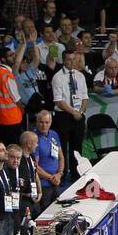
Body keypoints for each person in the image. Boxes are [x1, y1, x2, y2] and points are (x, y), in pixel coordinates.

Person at [50, 50, 88, 183]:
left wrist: (81, 112)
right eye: (70, 60)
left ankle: (76, 175)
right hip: (63, 116)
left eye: (74, 59)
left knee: (77, 147)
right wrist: (73, 112)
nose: (73, 62)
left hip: (78, 116)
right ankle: (62, 174)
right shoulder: (58, 77)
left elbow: (84, 96)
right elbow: (58, 101)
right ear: (64, 61)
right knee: (63, 147)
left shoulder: (80, 76)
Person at [0, 44, 24, 148]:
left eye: (13, 54)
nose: (13, 57)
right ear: (3, 59)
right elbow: (16, 98)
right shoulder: (7, 75)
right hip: (11, 119)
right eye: (10, 55)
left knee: (1, 149)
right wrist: (22, 109)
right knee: (12, 149)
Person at [33, 112, 64, 209]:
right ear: (36, 122)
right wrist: (51, 178)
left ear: (51, 122)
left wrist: (59, 173)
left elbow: (61, 157)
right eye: (41, 122)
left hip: (56, 181)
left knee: (56, 210)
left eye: (47, 122)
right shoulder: (34, 138)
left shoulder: (54, 134)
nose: (44, 125)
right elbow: (35, 167)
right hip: (43, 184)